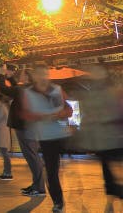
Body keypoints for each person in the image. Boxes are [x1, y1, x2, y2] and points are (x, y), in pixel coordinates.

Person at [21, 63, 72, 213]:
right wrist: (41, 117)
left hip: (62, 134)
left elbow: (69, 109)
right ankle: (58, 201)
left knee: (55, 169)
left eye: (46, 74)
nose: (44, 77)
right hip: (46, 137)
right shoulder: (28, 93)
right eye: (40, 74)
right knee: (51, 171)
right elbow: (25, 114)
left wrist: (58, 115)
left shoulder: (57, 90)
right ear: (35, 76)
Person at [73, 64, 123, 213]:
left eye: (97, 70)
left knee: (115, 169)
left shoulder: (113, 88)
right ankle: (112, 197)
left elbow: (116, 110)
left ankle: (116, 193)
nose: (93, 73)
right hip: (101, 139)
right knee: (107, 170)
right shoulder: (91, 90)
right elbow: (87, 113)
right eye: (92, 70)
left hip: (115, 135)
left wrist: (99, 118)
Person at [0, 64, 45, 196]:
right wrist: (11, 78)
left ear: (27, 77)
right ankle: (36, 185)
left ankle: (39, 188)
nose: (20, 75)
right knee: (32, 156)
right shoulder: (29, 88)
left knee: (32, 157)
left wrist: (1, 74)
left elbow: (5, 89)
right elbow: (16, 89)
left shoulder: (23, 89)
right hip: (28, 126)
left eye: (23, 74)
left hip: (24, 127)